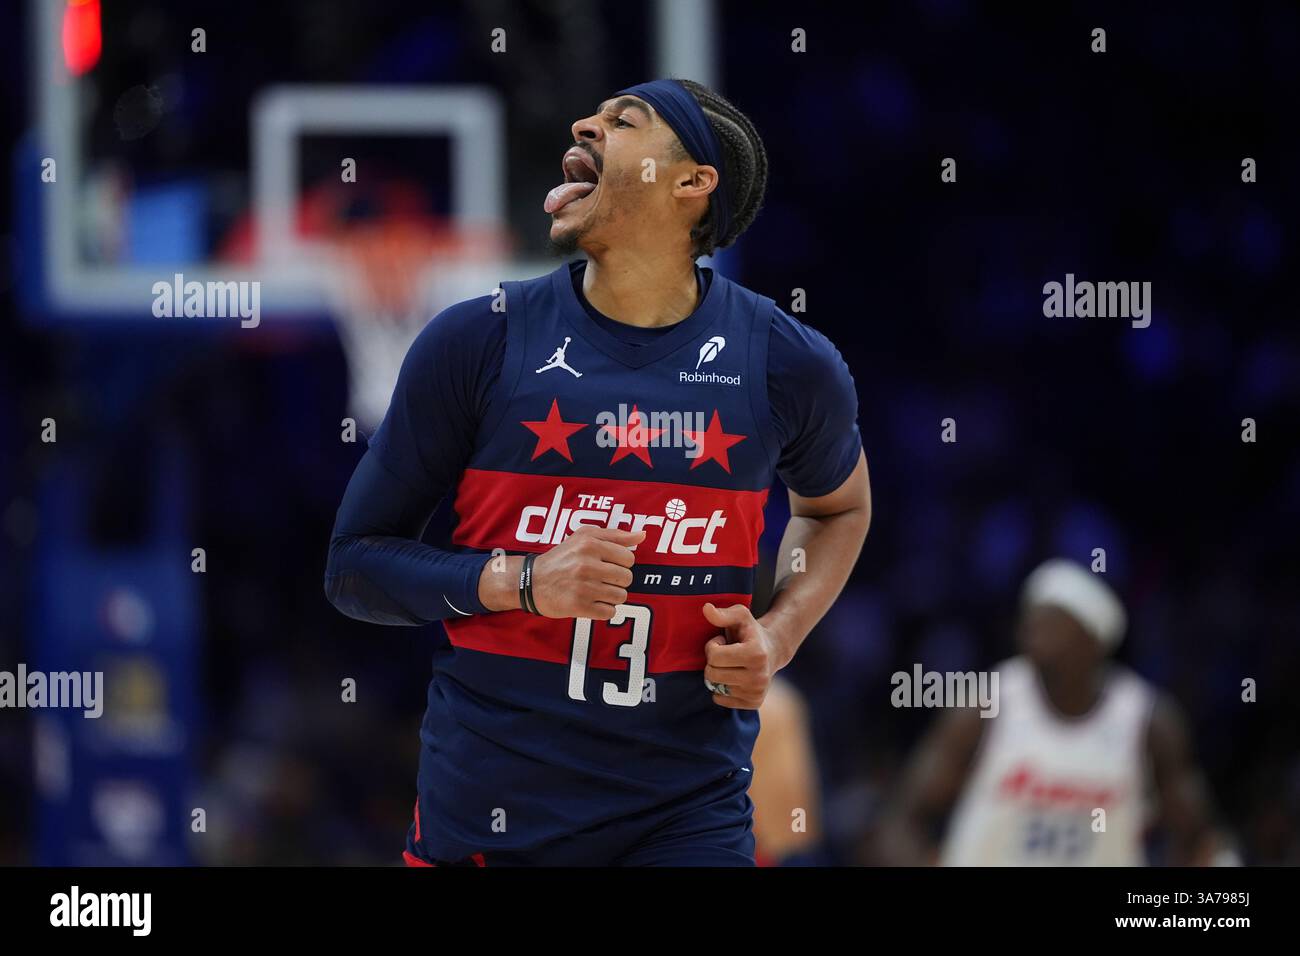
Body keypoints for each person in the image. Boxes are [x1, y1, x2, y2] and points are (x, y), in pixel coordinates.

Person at [325, 78, 871, 866]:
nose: (585, 121)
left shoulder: (787, 362)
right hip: (490, 817)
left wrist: (779, 636)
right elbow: (354, 567)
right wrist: (520, 581)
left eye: (624, 121)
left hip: (687, 818)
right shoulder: (476, 342)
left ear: (691, 183)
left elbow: (838, 510)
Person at [877, 559, 1234, 866]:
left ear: (1093, 640)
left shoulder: (1147, 722)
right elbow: (901, 822)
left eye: (1052, 620)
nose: (1033, 630)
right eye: (1031, 617)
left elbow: (1199, 838)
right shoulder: (985, 706)